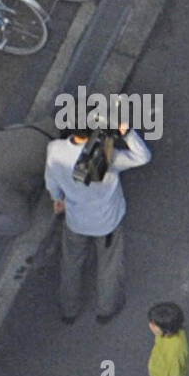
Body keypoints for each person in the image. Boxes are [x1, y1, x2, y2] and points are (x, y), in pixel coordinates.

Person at [45, 118, 152, 324]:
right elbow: (143, 156)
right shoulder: (107, 156)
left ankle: (69, 309)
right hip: (106, 222)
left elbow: (52, 180)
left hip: (75, 220)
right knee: (109, 266)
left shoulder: (55, 149)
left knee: (71, 263)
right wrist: (127, 133)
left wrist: (57, 198)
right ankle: (106, 308)